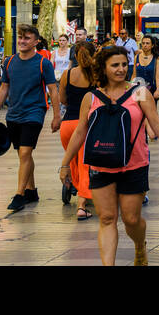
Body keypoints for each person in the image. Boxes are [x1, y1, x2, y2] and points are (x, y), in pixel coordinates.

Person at [58, 45, 159, 266]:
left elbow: (155, 122)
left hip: (134, 165)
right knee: (107, 218)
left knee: (131, 219)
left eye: (123, 64)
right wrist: (64, 164)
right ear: (103, 67)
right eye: (114, 65)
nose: (120, 69)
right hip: (100, 165)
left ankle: (140, 246)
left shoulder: (139, 92)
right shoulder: (91, 97)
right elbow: (81, 130)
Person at [0, 24, 62, 211]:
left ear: (36, 42)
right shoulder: (9, 62)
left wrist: (57, 115)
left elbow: (53, 89)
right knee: (23, 154)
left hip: (34, 112)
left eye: (27, 38)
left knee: (25, 153)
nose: (22, 41)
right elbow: (4, 88)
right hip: (14, 113)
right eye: (20, 37)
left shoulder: (43, 63)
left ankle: (20, 194)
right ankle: (31, 190)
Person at [58, 39, 98, 219]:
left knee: (72, 160)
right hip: (86, 125)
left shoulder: (67, 74)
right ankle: (82, 205)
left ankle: (71, 183)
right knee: (85, 163)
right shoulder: (97, 76)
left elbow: (63, 100)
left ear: (74, 55)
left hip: (67, 125)